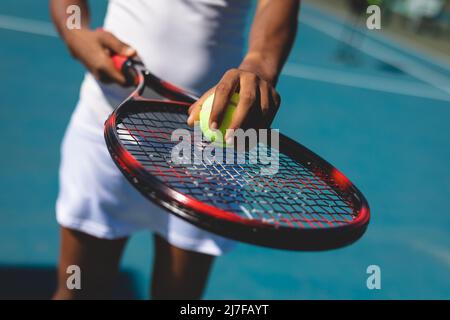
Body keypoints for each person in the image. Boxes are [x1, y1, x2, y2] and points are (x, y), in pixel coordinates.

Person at [50, 0, 300, 299]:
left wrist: (259, 63)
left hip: (209, 148)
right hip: (106, 123)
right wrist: (74, 30)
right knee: (78, 292)